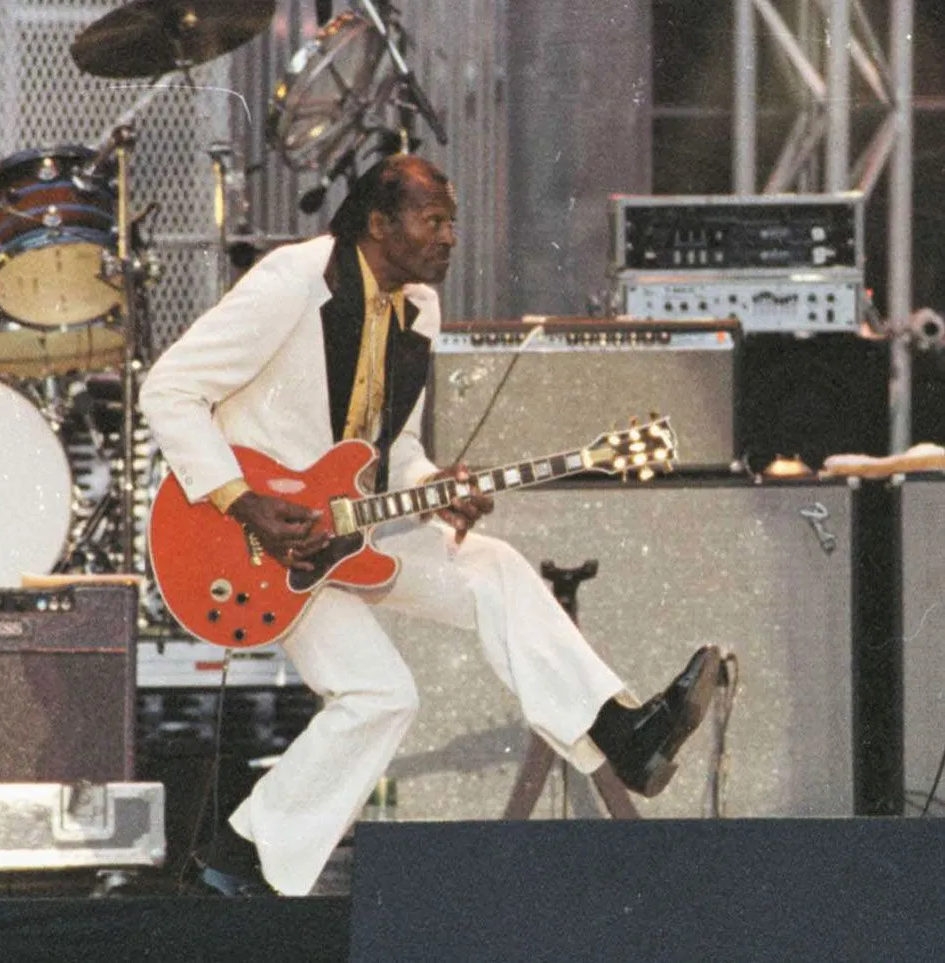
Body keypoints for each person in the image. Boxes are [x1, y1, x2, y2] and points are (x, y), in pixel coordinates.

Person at [139, 153, 721, 897]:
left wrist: (429, 485)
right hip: (247, 544)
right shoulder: (294, 281)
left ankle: (622, 733)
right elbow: (169, 389)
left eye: (453, 222)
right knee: (381, 693)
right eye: (432, 221)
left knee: (486, 575)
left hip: (342, 534)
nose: (449, 238)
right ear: (379, 224)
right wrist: (244, 500)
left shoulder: (420, 310)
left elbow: (392, 450)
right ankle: (238, 860)